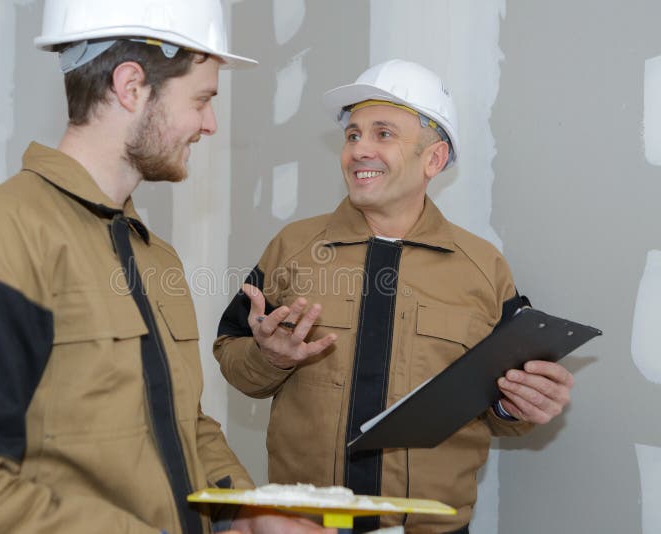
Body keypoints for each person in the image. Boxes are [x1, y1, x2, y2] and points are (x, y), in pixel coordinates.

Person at [0, 1, 333, 533]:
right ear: (131, 86)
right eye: (202, 99)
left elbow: (184, 424)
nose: (209, 124)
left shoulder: (155, 258)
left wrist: (249, 514)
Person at [214, 59, 575, 534]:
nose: (359, 149)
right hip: (304, 527)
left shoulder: (484, 270)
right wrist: (269, 358)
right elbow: (230, 353)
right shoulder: (292, 248)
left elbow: (498, 406)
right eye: (353, 135)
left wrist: (517, 403)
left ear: (434, 159)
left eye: (383, 134)